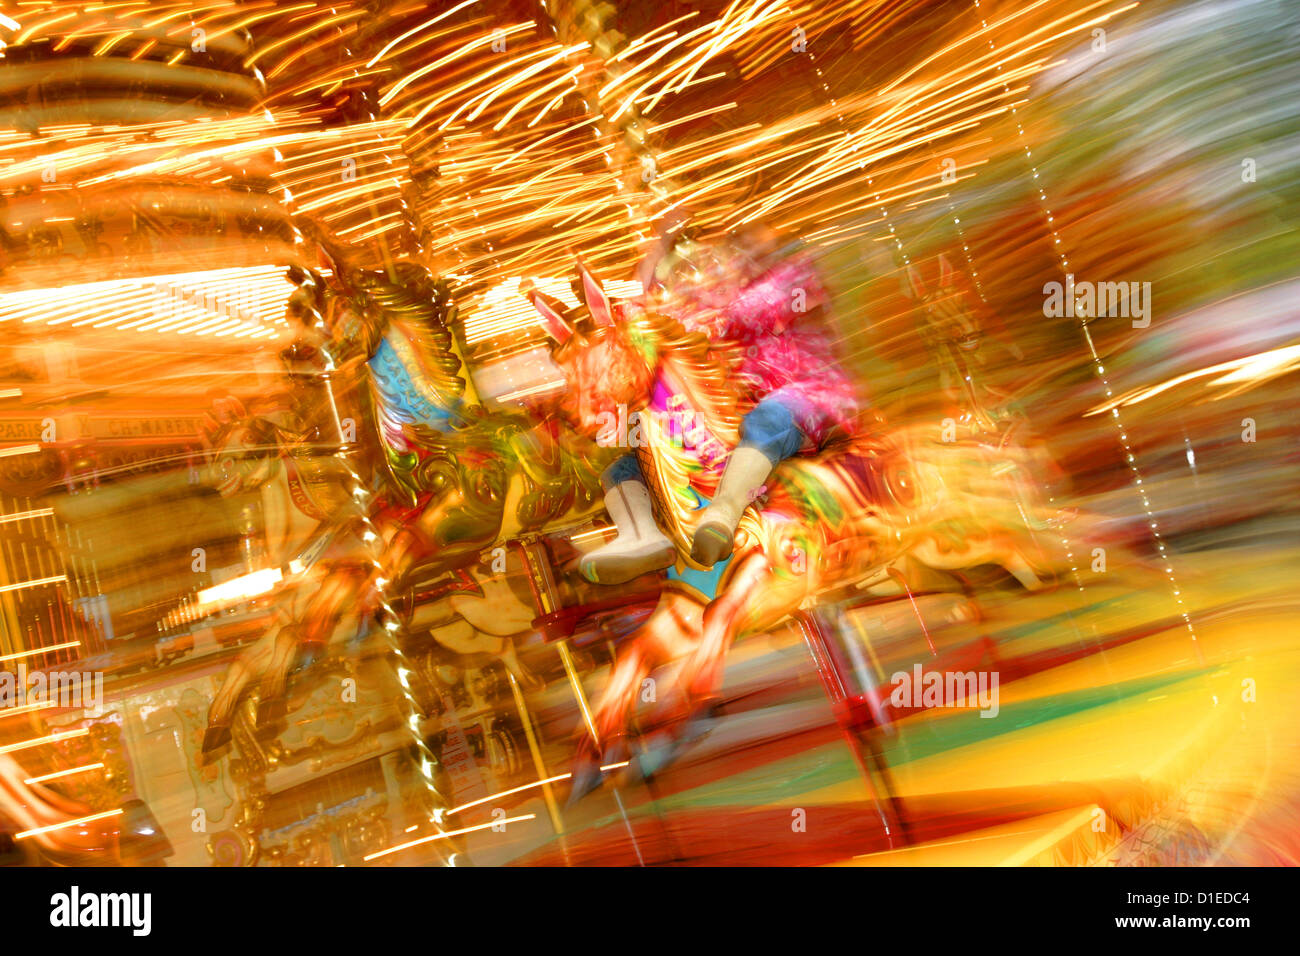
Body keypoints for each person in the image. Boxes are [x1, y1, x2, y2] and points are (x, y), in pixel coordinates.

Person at [579, 223, 860, 585]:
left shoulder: (759, 300)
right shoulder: (694, 318)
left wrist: (748, 252)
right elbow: (634, 311)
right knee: (626, 468)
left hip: (800, 404)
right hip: (731, 414)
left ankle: (725, 511)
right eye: (694, 275)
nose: (706, 283)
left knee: (769, 418)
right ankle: (642, 537)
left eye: (718, 269)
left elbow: (775, 293)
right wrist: (659, 241)